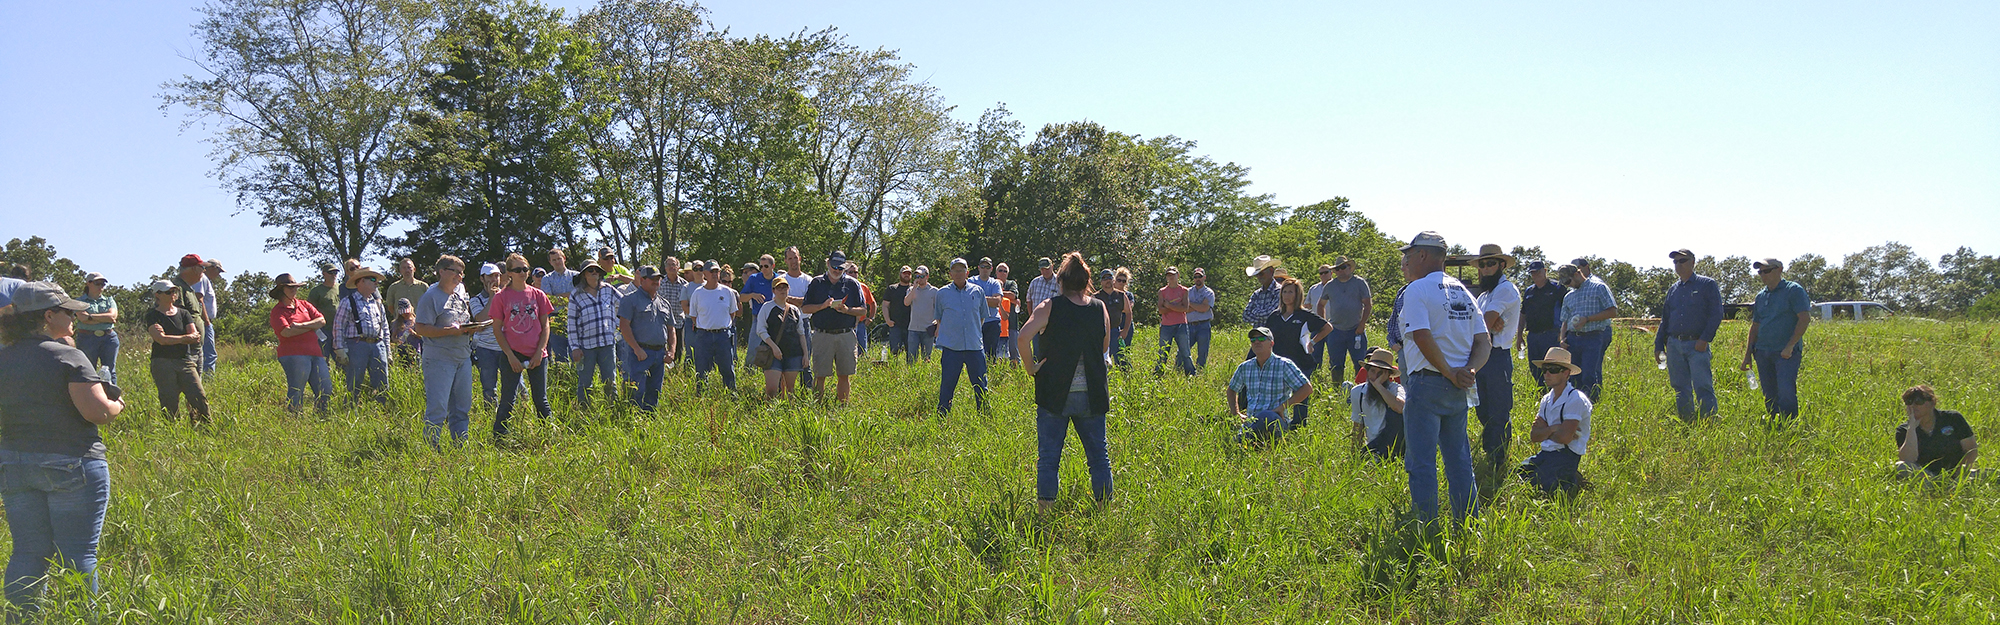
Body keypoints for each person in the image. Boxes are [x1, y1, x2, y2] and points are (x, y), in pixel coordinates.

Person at [0, 282, 124, 617]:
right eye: (68, 311)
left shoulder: (3, 357)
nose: (75, 316)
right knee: (78, 555)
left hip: (13, 463)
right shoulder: (68, 356)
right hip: (71, 463)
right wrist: (117, 404)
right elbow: (96, 412)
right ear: (48, 315)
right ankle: (83, 618)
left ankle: (20, 619)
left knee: (27, 551)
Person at [1396, 231, 1490, 524]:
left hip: (1428, 383)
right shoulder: (1464, 291)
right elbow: (1484, 341)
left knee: (1421, 461)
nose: (1405, 262)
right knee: (1459, 459)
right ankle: (1468, 523)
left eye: (1408, 256)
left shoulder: (1416, 290)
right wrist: (1469, 371)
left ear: (1422, 255)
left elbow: (1421, 336)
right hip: (1458, 388)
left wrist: (1448, 371)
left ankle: (1425, 526)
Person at [1015, 251, 1113, 511]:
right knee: (1099, 459)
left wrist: (1031, 367)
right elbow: (1105, 344)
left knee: (1049, 459)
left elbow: (1023, 338)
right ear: (1086, 281)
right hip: (1091, 392)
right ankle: (1104, 513)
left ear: (1061, 281)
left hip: (1054, 392)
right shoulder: (1099, 307)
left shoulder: (1049, 306)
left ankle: (1045, 517)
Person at [411, 256, 482, 447]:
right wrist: (450, 331)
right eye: (455, 272)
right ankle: (431, 447)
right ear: (441, 271)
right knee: (438, 407)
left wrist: (472, 327)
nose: (460, 276)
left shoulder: (460, 291)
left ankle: (460, 445)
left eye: (462, 272)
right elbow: (421, 328)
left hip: (463, 357)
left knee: (461, 407)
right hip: (439, 359)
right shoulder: (431, 296)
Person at [1466, 244, 1521, 469]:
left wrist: (1486, 322)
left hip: (1497, 356)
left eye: (1490, 264)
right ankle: (1493, 453)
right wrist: (1485, 323)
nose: (1486, 268)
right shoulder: (1486, 294)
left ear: (1501, 265)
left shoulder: (1505, 289)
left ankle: (1497, 460)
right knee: (1483, 408)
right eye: (1482, 264)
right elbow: (1480, 323)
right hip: (1482, 354)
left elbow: (1485, 322)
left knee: (1498, 409)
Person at [1654, 249, 1723, 420]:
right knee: (1679, 386)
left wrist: (1705, 339)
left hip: (1696, 344)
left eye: (1682, 260)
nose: (1678, 264)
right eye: (1675, 262)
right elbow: (1666, 319)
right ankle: (1687, 420)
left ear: (1693, 262)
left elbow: (1716, 314)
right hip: (1674, 344)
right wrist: (1658, 345)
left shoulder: (1707, 285)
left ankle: (1709, 421)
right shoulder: (1673, 290)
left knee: (1703, 385)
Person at [491, 253, 554, 436]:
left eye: (525, 269)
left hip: (537, 353)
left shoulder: (538, 295)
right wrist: (510, 356)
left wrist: (539, 352)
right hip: (513, 354)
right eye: (517, 270)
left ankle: (548, 435)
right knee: (508, 400)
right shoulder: (501, 297)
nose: (522, 273)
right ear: (509, 272)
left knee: (540, 399)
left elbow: (545, 326)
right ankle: (499, 438)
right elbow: (497, 330)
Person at [1742, 258, 1811, 418]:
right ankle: (1775, 424)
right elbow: (1755, 326)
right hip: (1762, 352)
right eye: (1760, 272)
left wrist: (1790, 345)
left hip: (1785, 353)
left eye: (1767, 270)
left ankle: (1790, 426)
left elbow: (1804, 318)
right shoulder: (1761, 296)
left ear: (1779, 269)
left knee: (1786, 391)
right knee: (1769, 392)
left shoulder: (1793, 290)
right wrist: (1748, 355)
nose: (1763, 275)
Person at [1261, 276, 1332, 427]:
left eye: (1290, 292)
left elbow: (1327, 327)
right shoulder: (1274, 316)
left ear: (1297, 294)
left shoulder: (1304, 315)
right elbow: (1265, 337)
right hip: (1279, 361)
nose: (1287, 295)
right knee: (1277, 392)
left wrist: (1313, 342)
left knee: (1301, 391)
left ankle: (1299, 424)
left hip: (1301, 361)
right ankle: (1277, 419)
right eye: (1284, 292)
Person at [1520, 347, 1591, 495]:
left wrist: (1546, 430)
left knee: (1543, 486)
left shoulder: (1575, 399)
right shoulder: (1546, 399)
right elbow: (1534, 436)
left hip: (1566, 455)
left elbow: (1565, 438)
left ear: (1566, 373)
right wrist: (1554, 429)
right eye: (1545, 369)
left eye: (1553, 369)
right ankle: (1568, 478)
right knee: (1518, 474)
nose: (1547, 374)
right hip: (1546, 452)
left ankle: (1573, 480)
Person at [934, 259, 999, 416]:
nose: (958, 273)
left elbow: (982, 317)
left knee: (981, 385)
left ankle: (984, 417)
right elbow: (940, 318)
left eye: (961, 270)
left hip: (974, 347)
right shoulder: (942, 293)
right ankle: (942, 418)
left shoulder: (978, 292)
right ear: (950, 273)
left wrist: (972, 332)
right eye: (955, 270)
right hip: (951, 348)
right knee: (947, 386)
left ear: (967, 273)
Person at [1226, 326, 1313, 442]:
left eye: (1261, 339)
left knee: (1266, 416)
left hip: (1275, 419)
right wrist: (1235, 412)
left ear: (1271, 343)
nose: (1256, 342)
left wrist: (1282, 408)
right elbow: (1231, 389)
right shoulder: (1245, 367)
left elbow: (1307, 388)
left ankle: (1244, 440)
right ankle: (1246, 441)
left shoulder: (1284, 365)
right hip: (1251, 422)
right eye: (1253, 340)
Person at [804, 252, 867, 402]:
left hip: (846, 334)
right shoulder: (816, 282)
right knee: (820, 375)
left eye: (840, 267)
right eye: (834, 266)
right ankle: (817, 407)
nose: (837, 270)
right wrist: (822, 306)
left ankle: (842, 408)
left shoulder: (852, 284)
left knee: (844, 374)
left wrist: (847, 310)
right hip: (822, 334)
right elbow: (805, 308)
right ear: (828, 264)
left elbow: (864, 310)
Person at [145, 279, 210, 423]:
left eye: (174, 291)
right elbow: (161, 340)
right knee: (169, 399)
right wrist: (184, 338)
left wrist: (174, 338)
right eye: (169, 292)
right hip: (162, 362)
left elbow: (195, 336)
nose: (173, 294)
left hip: (185, 361)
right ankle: (171, 431)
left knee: (198, 395)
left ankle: (205, 428)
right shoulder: (152, 315)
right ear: (158, 295)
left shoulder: (184, 313)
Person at [268, 273, 332, 414]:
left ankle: (322, 417)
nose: (294, 289)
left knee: (325, 388)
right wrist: (311, 326)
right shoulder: (277, 311)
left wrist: (301, 325)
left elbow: (322, 321)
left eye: (295, 287)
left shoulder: (304, 304)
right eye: (290, 287)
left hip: (315, 352)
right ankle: (294, 420)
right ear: (281, 290)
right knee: (296, 390)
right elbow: (286, 332)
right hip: (293, 354)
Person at [1556, 259, 1618, 400]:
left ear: (1578, 273)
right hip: (1573, 338)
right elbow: (1564, 320)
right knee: (1573, 375)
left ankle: (1592, 404)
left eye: (1569, 281)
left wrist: (1588, 319)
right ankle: (1575, 404)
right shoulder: (1569, 296)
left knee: (1590, 374)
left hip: (1594, 336)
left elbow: (1612, 311)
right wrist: (1562, 339)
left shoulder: (1598, 287)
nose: (1568, 285)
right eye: (1565, 283)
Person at [1893, 385, 1979, 478]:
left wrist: (1958, 473)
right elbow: (1908, 460)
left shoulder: (1953, 419)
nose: (1913, 406)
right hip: (1926, 476)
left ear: (1932, 402)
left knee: (1993, 474)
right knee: (1900, 466)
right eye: (1909, 402)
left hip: (1958, 474)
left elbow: (1971, 449)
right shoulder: (1904, 430)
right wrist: (1912, 428)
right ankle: (1933, 488)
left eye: (1918, 401)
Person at [333, 267, 391, 403]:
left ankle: (382, 411)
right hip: (357, 345)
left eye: (376, 280)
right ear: (361, 282)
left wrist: (388, 351)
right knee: (354, 381)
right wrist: (339, 349)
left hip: (378, 345)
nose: (376, 283)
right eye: (372, 279)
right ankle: (351, 410)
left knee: (382, 381)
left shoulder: (377, 303)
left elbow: (385, 328)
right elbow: (338, 326)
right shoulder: (347, 301)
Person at [566, 263, 621, 409]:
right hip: (586, 346)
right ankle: (584, 413)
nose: (594, 272)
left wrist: (616, 322)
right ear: (584, 274)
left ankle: (612, 409)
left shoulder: (609, 290)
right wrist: (575, 347)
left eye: (597, 270)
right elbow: (571, 323)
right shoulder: (576, 294)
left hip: (608, 344)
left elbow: (625, 304)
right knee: (585, 382)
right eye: (590, 270)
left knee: (610, 380)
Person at [617, 267, 672, 411]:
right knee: (636, 391)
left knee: (654, 391)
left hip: (659, 354)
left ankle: (649, 422)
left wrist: (671, 351)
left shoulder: (664, 303)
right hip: (639, 354)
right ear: (642, 280)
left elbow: (671, 329)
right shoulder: (630, 299)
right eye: (652, 278)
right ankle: (632, 421)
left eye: (658, 279)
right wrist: (636, 349)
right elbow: (624, 326)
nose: (656, 282)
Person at [1315, 256, 1373, 384]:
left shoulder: (1359, 283)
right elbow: (1320, 305)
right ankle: (1337, 392)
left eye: (1343, 267)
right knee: (1336, 365)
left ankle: (1361, 391)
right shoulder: (1330, 286)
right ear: (1334, 271)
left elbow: (1368, 304)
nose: (1340, 270)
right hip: (1335, 331)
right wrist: (1324, 324)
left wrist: (1362, 324)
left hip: (1356, 329)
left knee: (1360, 363)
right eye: (1337, 268)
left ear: (1349, 268)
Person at [686, 261, 741, 393]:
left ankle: (731, 395)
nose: (715, 274)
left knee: (728, 368)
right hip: (703, 336)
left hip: (723, 335)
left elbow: (732, 313)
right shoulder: (698, 293)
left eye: (716, 271)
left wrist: (721, 326)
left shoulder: (728, 292)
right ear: (705, 274)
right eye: (711, 271)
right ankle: (701, 398)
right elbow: (693, 316)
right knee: (701, 370)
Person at [753, 279, 810, 398]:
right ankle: (770, 413)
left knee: (790, 390)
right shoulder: (767, 307)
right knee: (772, 390)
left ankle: (788, 413)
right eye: (779, 288)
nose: (782, 290)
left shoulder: (794, 310)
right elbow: (761, 330)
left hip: (793, 353)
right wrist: (774, 347)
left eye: (785, 287)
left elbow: (801, 333)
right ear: (773, 290)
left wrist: (805, 354)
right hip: (772, 353)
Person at [1517, 261, 1568, 387]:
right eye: (1532, 273)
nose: (1535, 275)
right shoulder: (1529, 291)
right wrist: (1519, 336)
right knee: (1535, 367)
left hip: (1551, 335)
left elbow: (1567, 312)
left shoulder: (1557, 288)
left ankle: (1555, 392)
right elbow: (1523, 314)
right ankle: (1542, 393)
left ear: (1545, 271)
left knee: (1553, 367)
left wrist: (1563, 335)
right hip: (1533, 336)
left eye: (1538, 272)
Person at [1349, 348, 1406, 459]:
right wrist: (1354, 457)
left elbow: (1399, 407)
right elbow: (1358, 427)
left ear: (1388, 375)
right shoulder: (1358, 392)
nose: (1375, 376)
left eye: (1380, 373)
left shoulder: (1396, 390)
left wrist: (1378, 386)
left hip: (1396, 448)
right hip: (1374, 447)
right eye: (1372, 371)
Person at [468, 263, 506, 405]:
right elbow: (481, 318)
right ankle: (491, 415)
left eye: (496, 276)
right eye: (490, 276)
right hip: (486, 349)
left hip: (506, 347)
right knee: (489, 387)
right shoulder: (475, 300)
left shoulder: (508, 295)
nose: (494, 279)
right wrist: (492, 298)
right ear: (482, 279)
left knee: (516, 385)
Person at [73, 273, 120, 386]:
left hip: (109, 338)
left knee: (110, 371)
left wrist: (90, 317)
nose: (101, 286)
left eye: (103, 284)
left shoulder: (109, 300)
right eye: (97, 283)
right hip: (86, 338)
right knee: (88, 370)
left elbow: (112, 317)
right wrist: (104, 318)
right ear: (88, 283)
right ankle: (90, 398)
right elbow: (82, 318)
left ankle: (112, 396)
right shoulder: (79, 302)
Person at [170, 254, 212, 368]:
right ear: (194, 268)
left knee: (197, 384)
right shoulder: (177, 288)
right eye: (202, 268)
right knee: (188, 384)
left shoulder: (189, 289)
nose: (203, 271)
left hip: (196, 347)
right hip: (186, 350)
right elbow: (176, 317)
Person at [540, 248, 579, 364]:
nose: (557, 262)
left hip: (576, 316)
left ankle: (580, 380)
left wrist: (558, 296)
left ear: (564, 259)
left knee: (577, 352)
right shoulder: (546, 279)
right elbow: (548, 300)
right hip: (555, 317)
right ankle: (563, 381)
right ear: (550, 262)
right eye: (554, 260)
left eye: (559, 258)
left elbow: (579, 296)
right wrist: (570, 295)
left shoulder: (576, 276)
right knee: (560, 355)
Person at [1155, 266, 1194, 375]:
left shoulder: (1184, 290)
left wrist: (1169, 305)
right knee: (1163, 352)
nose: (1171, 277)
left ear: (1178, 275)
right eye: (1169, 275)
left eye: (1173, 275)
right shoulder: (1162, 291)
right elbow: (1161, 310)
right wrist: (1176, 306)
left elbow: (1185, 308)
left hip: (1181, 325)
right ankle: (1158, 373)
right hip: (1166, 326)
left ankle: (1191, 374)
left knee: (1185, 352)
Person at [383, 257, 432, 334]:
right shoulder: (394, 287)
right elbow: (390, 307)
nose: (407, 270)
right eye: (404, 268)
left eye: (409, 267)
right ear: (400, 270)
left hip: (420, 324)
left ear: (414, 269)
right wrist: (401, 318)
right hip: (400, 326)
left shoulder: (423, 286)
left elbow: (429, 306)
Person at [1096, 269, 1132, 368]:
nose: (1107, 280)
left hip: (1115, 332)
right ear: (1101, 281)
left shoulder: (1121, 295)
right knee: (1101, 362)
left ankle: (1128, 380)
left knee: (1122, 360)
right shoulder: (1095, 297)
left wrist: (1125, 330)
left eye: (1110, 277)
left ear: (1113, 280)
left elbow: (1129, 313)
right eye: (1104, 278)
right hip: (1100, 333)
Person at [902, 266, 938, 363]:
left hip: (928, 329)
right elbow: (906, 303)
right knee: (911, 358)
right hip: (913, 329)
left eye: (922, 276)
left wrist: (937, 326)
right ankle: (911, 376)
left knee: (926, 358)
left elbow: (939, 310)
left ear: (927, 277)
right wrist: (914, 288)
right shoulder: (911, 290)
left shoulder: (934, 291)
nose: (919, 279)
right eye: (917, 276)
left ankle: (925, 376)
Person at [194, 258, 224, 373]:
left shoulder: (204, 279)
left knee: (206, 353)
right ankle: (208, 380)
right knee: (209, 354)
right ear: (212, 268)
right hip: (203, 322)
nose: (218, 275)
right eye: (218, 271)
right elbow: (198, 299)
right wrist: (206, 321)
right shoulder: (202, 279)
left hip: (204, 321)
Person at [973, 258, 1006, 359]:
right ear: (979, 268)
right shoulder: (971, 281)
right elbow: (968, 299)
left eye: (987, 267)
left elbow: (996, 302)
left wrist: (978, 298)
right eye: (982, 267)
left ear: (991, 269)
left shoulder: (995, 283)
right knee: (974, 353)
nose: (985, 269)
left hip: (992, 322)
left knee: (991, 355)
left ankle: (991, 374)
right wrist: (988, 299)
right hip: (975, 322)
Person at [1185, 268, 1216, 370]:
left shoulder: (1209, 293)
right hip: (1189, 325)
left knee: (1202, 352)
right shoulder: (1187, 292)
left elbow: (1204, 308)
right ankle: (1179, 370)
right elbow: (1185, 309)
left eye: (1200, 277)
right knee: (1183, 351)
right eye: (1195, 277)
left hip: (1203, 325)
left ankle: (1199, 373)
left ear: (1204, 278)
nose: (1198, 279)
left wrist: (1191, 304)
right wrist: (1198, 305)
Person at [1241, 255, 1283, 327]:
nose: (1258, 277)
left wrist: (1255, 311)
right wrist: (1262, 314)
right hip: (1257, 337)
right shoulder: (1256, 294)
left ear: (1271, 271)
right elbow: (1245, 316)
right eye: (1256, 275)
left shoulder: (1280, 291)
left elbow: (1271, 314)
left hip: (1274, 336)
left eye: (1261, 273)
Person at [883, 266, 914, 358]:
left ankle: (911, 371)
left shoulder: (915, 289)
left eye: (909, 273)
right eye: (904, 273)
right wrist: (888, 320)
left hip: (911, 326)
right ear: (900, 274)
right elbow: (885, 305)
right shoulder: (892, 289)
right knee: (894, 352)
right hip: (895, 325)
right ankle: (894, 371)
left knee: (911, 353)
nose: (907, 275)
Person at [994, 263, 1019, 363]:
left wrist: (996, 294)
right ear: (996, 272)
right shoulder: (991, 282)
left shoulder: (1011, 283)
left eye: (1005, 271)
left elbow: (1013, 296)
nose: (1002, 273)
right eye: (1000, 270)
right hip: (993, 324)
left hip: (1011, 323)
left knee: (1013, 351)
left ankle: (1016, 374)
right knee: (995, 353)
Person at [391, 298, 421, 363]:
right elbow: (393, 337)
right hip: (402, 351)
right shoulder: (397, 323)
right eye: (403, 313)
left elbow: (422, 336)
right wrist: (397, 340)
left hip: (415, 351)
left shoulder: (416, 321)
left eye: (407, 312)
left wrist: (414, 333)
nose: (405, 314)